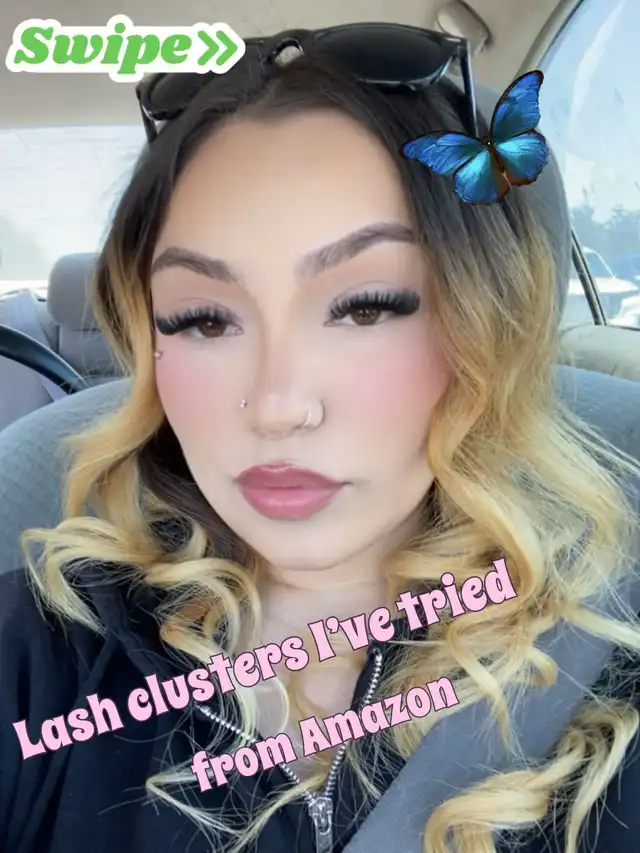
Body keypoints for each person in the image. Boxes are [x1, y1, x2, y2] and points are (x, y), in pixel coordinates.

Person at [1, 24, 639, 853]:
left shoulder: (606, 675)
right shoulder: (37, 651)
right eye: (203, 319)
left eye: (367, 306)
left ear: (487, 326)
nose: (276, 405)